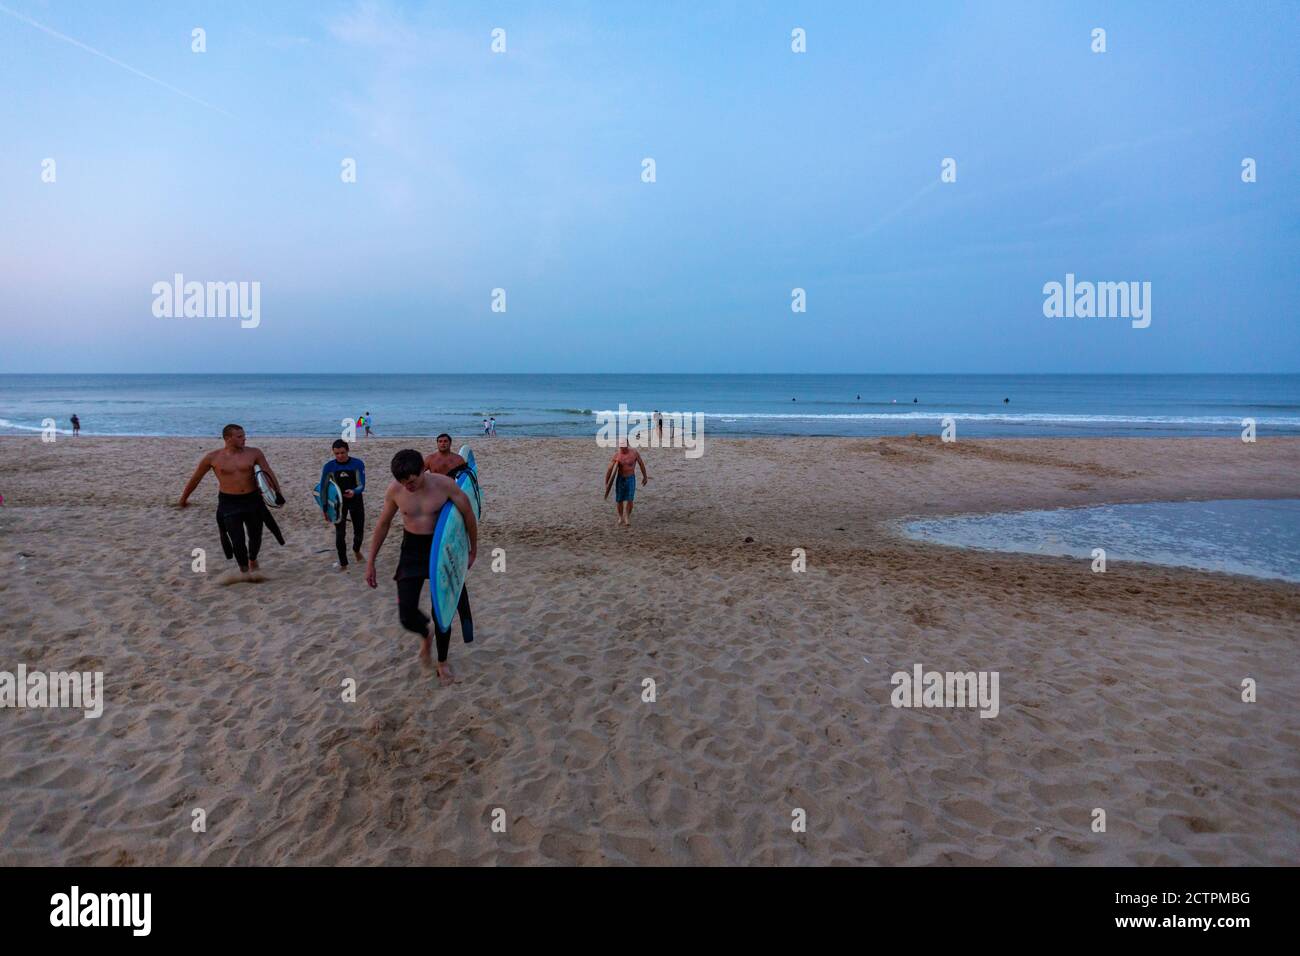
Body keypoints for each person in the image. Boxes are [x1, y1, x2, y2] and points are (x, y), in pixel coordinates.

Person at [366, 450, 477, 686]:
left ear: (423, 471)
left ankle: (442, 662)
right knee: (406, 616)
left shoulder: (445, 486)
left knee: (443, 612)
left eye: (412, 481)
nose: (408, 486)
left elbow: (468, 514)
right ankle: (425, 634)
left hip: (441, 551)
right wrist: (371, 561)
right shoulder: (395, 490)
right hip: (412, 551)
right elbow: (383, 524)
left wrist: (472, 549)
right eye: (403, 482)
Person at [178, 424, 284, 578]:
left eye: (244, 435)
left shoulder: (254, 453)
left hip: (252, 499)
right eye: (239, 436)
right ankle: (244, 570)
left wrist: (278, 494)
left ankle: (252, 559)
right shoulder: (212, 457)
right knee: (237, 539)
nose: (244, 438)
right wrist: (183, 499)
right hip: (229, 502)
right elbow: (195, 479)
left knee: (255, 536)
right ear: (227, 438)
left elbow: (268, 473)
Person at [319, 439, 367, 571]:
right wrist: (324, 508)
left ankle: (356, 550)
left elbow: (361, 484)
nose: (340, 456)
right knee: (340, 534)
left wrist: (354, 491)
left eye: (342, 452)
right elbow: (323, 488)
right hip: (337, 503)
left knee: (359, 531)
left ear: (348, 451)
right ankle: (343, 563)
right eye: (337, 453)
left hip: (355, 500)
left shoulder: (357, 464)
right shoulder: (329, 467)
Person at [605, 438, 648, 527]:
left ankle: (627, 517)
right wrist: (607, 483)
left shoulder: (634, 453)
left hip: (631, 479)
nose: (622, 449)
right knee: (619, 499)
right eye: (620, 447)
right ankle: (621, 517)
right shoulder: (617, 455)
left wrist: (645, 476)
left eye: (623, 447)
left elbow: (641, 464)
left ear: (627, 445)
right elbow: (609, 469)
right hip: (620, 479)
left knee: (630, 499)